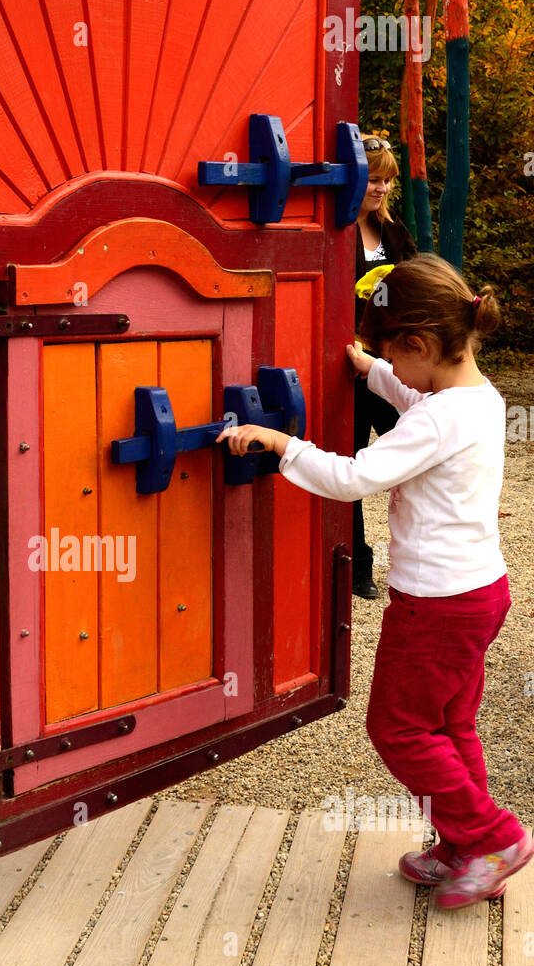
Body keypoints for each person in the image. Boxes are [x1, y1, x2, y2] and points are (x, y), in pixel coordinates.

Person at [216, 253, 531, 907]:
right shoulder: (476, 399)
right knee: (451, 725)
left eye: (390, 346)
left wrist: (281, 445)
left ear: (418, 342)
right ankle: (466, 847)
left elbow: (354, 477)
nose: (387, 358)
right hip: (480, 593)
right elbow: (417, 396)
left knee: (399, 728)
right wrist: (375, 370)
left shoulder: (435, 419)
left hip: (435, 607)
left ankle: (491, 837)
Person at [352, 135, 417, 599]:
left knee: (415, 450)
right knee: (350, 461)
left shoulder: (395, 234)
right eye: (375, 179)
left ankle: (419, 558)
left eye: (388, 181)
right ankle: (357, 564)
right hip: (349, 365)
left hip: (392, 363)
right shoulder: (333, 233)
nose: (382, 189)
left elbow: (416, 287)